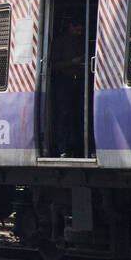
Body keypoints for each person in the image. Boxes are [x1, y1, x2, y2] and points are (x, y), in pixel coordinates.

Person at [50, 18, 86, 157]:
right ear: (70, 26)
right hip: (64, 82)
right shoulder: (59, 43)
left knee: (78, 115)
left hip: (79, 81)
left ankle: (78, 148)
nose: (79, 32)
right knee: (64, 115)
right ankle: (62, 148)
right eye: (77, 29)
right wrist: (72, 62)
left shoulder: (80, 42)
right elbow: (53, 65)